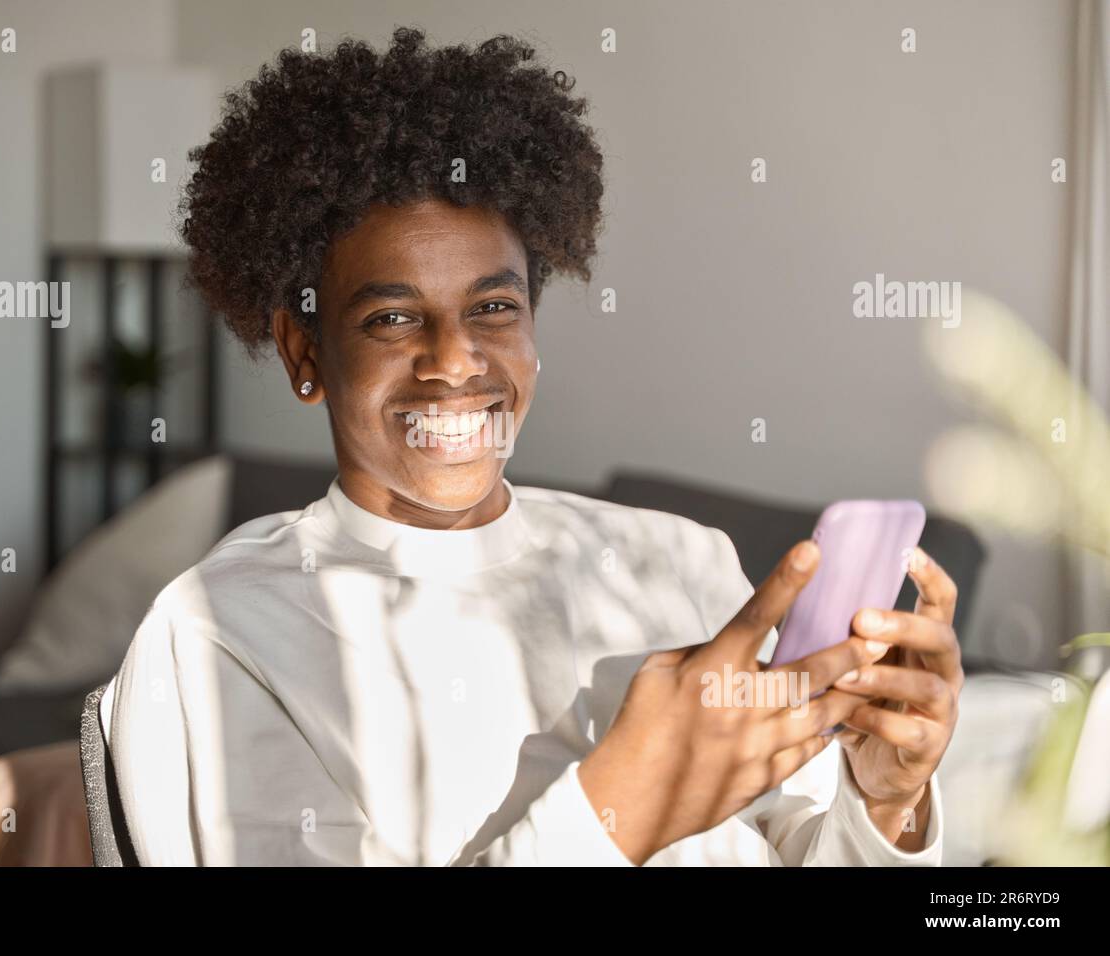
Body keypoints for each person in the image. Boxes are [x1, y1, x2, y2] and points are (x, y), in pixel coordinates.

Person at [101, 27, 963, 866]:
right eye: (392, 318)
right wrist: (619, 807)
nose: (454, 361)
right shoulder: (223, 632)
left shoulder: (682, 561)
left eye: (493, 308)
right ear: (303, 351)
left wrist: (884, 806)